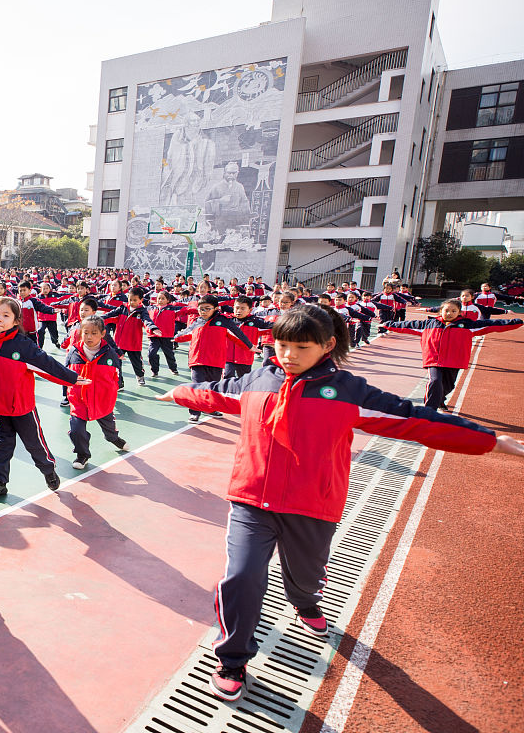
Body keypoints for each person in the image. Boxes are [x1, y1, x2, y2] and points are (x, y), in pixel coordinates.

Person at [158, 304, 524, 702]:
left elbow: (413, 417)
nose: (289, 355)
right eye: (282, 344)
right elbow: (217, 393)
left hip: (312, 505)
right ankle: (232, 660)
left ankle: (305, 601)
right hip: (251, 499)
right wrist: (178, 392)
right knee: (242, 578)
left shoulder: (348, 391)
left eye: (301, 346)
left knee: (305, 575)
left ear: (327, 345)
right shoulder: (259, 379)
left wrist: (488, 439)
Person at [0, 297, 90, 501]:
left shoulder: (22, 345)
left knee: (34, 444)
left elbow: (47, 365)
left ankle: (48, 471)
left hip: (21, 407)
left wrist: (72, 378)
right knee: (0, 445)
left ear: (16, 321)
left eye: (6, 315)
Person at [381, 299, 521, 409]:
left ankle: (440, 400)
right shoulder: (429, 324)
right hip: (434, 360)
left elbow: (492, 324)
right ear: (441, 311)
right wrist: (386, 324)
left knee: (448, 386)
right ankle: (430, 411)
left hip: (455, 361)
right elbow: (407, 325)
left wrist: (516, 322)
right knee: (435, 382)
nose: (449, 313)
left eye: (453, 311)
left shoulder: (468, 326)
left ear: (459, 312)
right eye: (446, 310)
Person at [174, 296, 253, 424]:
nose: (203, 311)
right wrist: (175, 337)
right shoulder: (196, 322)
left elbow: (237, 334)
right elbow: (186, 333)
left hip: (216, 360)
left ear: (216, 308)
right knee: (197, 386)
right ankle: (195, 413)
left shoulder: (223, 321)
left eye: (207, 308)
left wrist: (250, 346)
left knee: (213, 388)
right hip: (197, 360)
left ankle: (209, 409)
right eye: (201, 309)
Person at [66, 316, 128, 468]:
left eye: (94, 333)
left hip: (102, 401)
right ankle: (82, 455)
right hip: (79, 401)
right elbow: (65, 374)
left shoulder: (110, 354)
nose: (89, 337)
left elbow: (116, 377)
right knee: (76, 430)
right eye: (86, 332)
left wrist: (111, 392)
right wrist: (67, 395)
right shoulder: (74, 352)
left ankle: (113, 438)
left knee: (109, 428)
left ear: (103, 333)